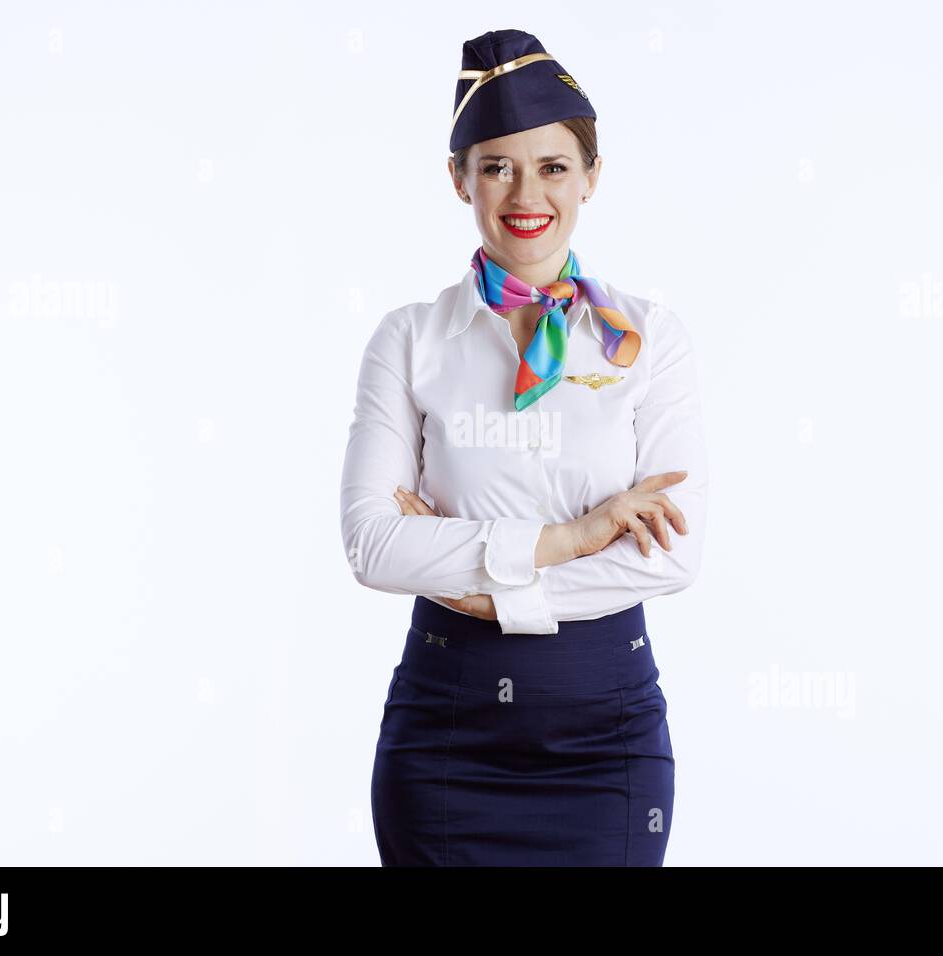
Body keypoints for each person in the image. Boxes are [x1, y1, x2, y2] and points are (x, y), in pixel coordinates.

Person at [339, 28, 709, 865]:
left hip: (605, 742)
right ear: (458, 177)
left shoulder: (648, 340)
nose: (524, 192)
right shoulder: (408, 341)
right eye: (497, 165)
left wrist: (479, 578)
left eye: (552, 166)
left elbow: (672, 558)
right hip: (445, 737)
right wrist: (576, 538)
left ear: (591, 177)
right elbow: (373, 545)